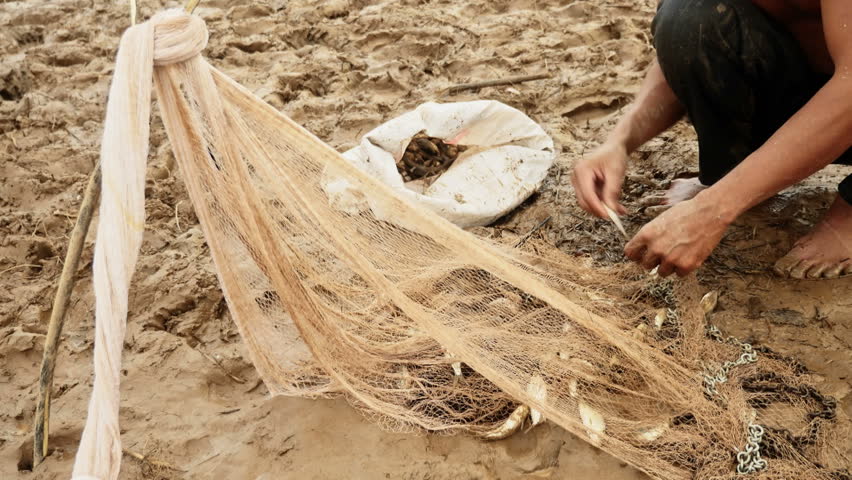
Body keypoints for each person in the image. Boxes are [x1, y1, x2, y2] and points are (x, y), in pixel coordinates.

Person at [572, 0, 852, 278]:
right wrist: (619, 143)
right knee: (686, 16)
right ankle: (736, 178)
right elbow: (683, 43)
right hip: (817, 85)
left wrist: (714, 209)